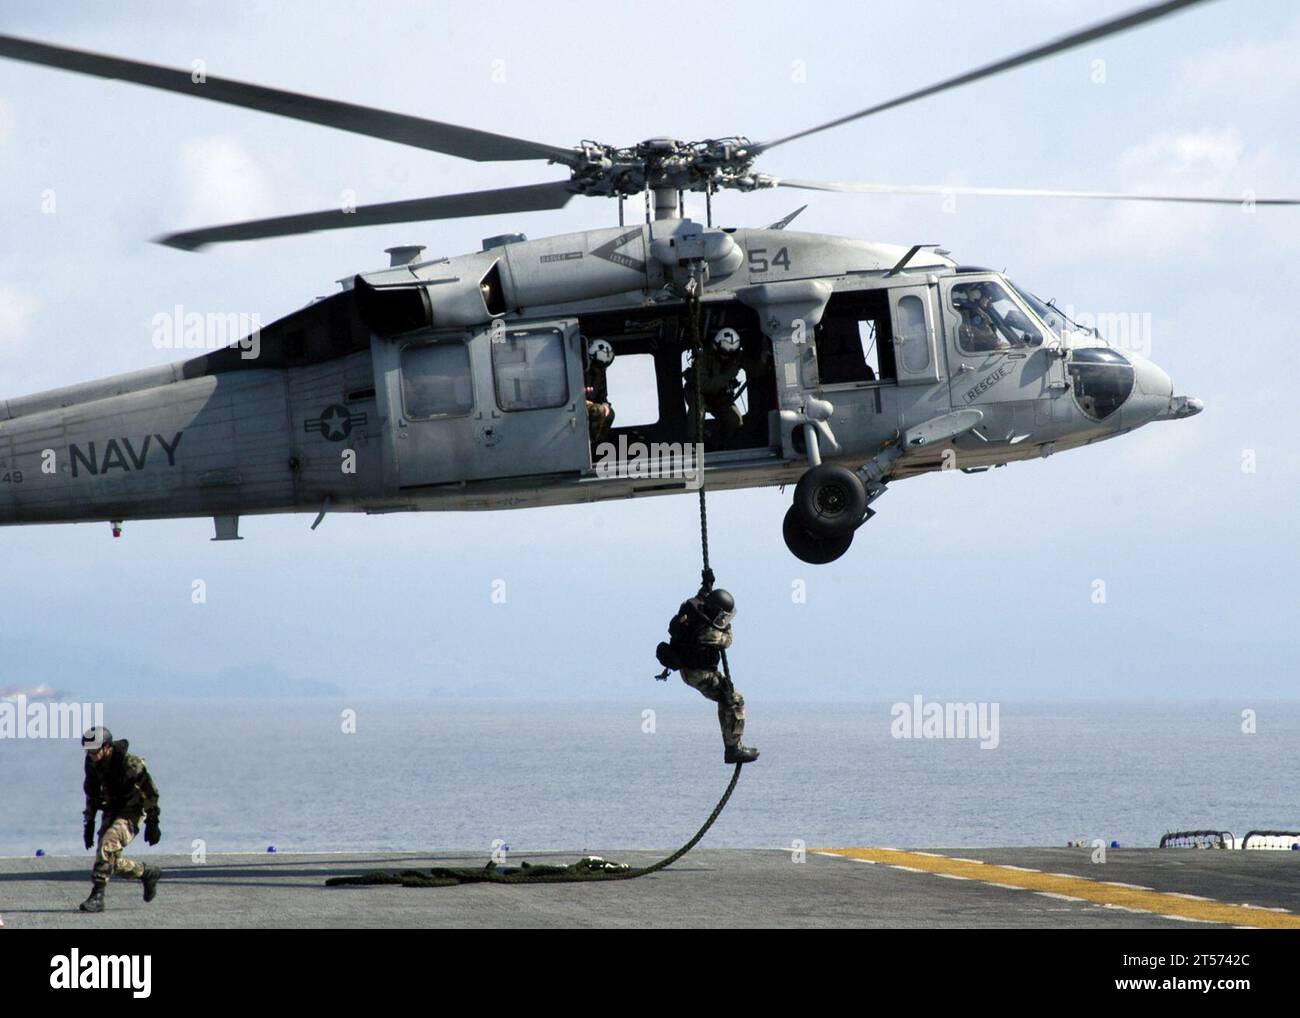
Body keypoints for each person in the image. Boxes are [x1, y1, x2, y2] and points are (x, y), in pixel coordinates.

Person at [655, 586, 759, 764]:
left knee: (725, 697)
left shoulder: (690, 610)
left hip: (690, 670)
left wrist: (706, 587)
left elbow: (699, 599)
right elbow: (726, 640)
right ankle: (733, 748)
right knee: (733, 700)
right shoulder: (706, 633)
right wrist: (726, 626)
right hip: (699, 675)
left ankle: (731, 745)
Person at [79, 726, 162, 913]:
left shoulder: (130, 764)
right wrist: (89, 823)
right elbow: (91, 794)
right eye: (88, 751)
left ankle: (97, 895)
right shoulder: (92, 764)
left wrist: (153, 822)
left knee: (106, 846)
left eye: (95, 750)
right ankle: (146, 872)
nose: (91, 755)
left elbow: (150, 793)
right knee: (110, 860)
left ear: (107, 747)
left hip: (132, 812)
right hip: (112, 810)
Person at [683, 326, 769, 450]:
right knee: (698, 410)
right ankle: (694, 444)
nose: (727, 357)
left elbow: (755, 370)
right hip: (699, 394)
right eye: (724, 352)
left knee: (734, 420)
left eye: (731, 354)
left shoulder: (736, 357)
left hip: (719, 396)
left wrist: (763, 358)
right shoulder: (703, 358)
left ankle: (725, 446)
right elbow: (704, 385)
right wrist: (728, 376)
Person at [585, 337, 616, 445]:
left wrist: (606, 406)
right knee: (597, 411)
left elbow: (603, 397)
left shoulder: (599, 374)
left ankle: (594, 444)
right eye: (596, 366)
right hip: (574, 407)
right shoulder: (575, 369)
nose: (598, 370)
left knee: (609, 414)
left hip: (591, 408)